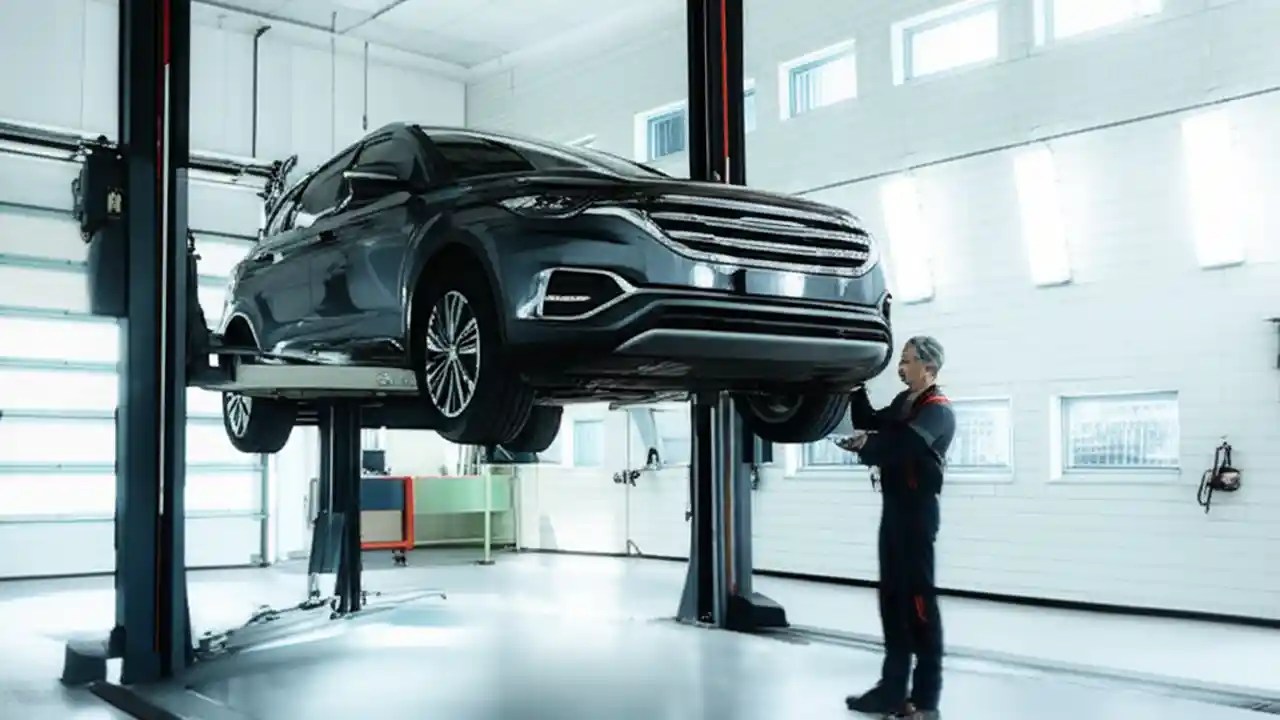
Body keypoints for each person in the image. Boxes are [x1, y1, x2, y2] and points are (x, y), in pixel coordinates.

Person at [840, 336, 955, 720]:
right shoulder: (904, 404)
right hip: (894, 511)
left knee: (919, 604)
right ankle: (892, 693)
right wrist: (855, 389)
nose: (901, 368)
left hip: (917, 514)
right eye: (901, 361)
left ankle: (926, 702)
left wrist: (868, 445)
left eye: (907, 362)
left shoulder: (937, 410)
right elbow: (873, 423)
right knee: (891, 600)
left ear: (930, 369)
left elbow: (904, 445)